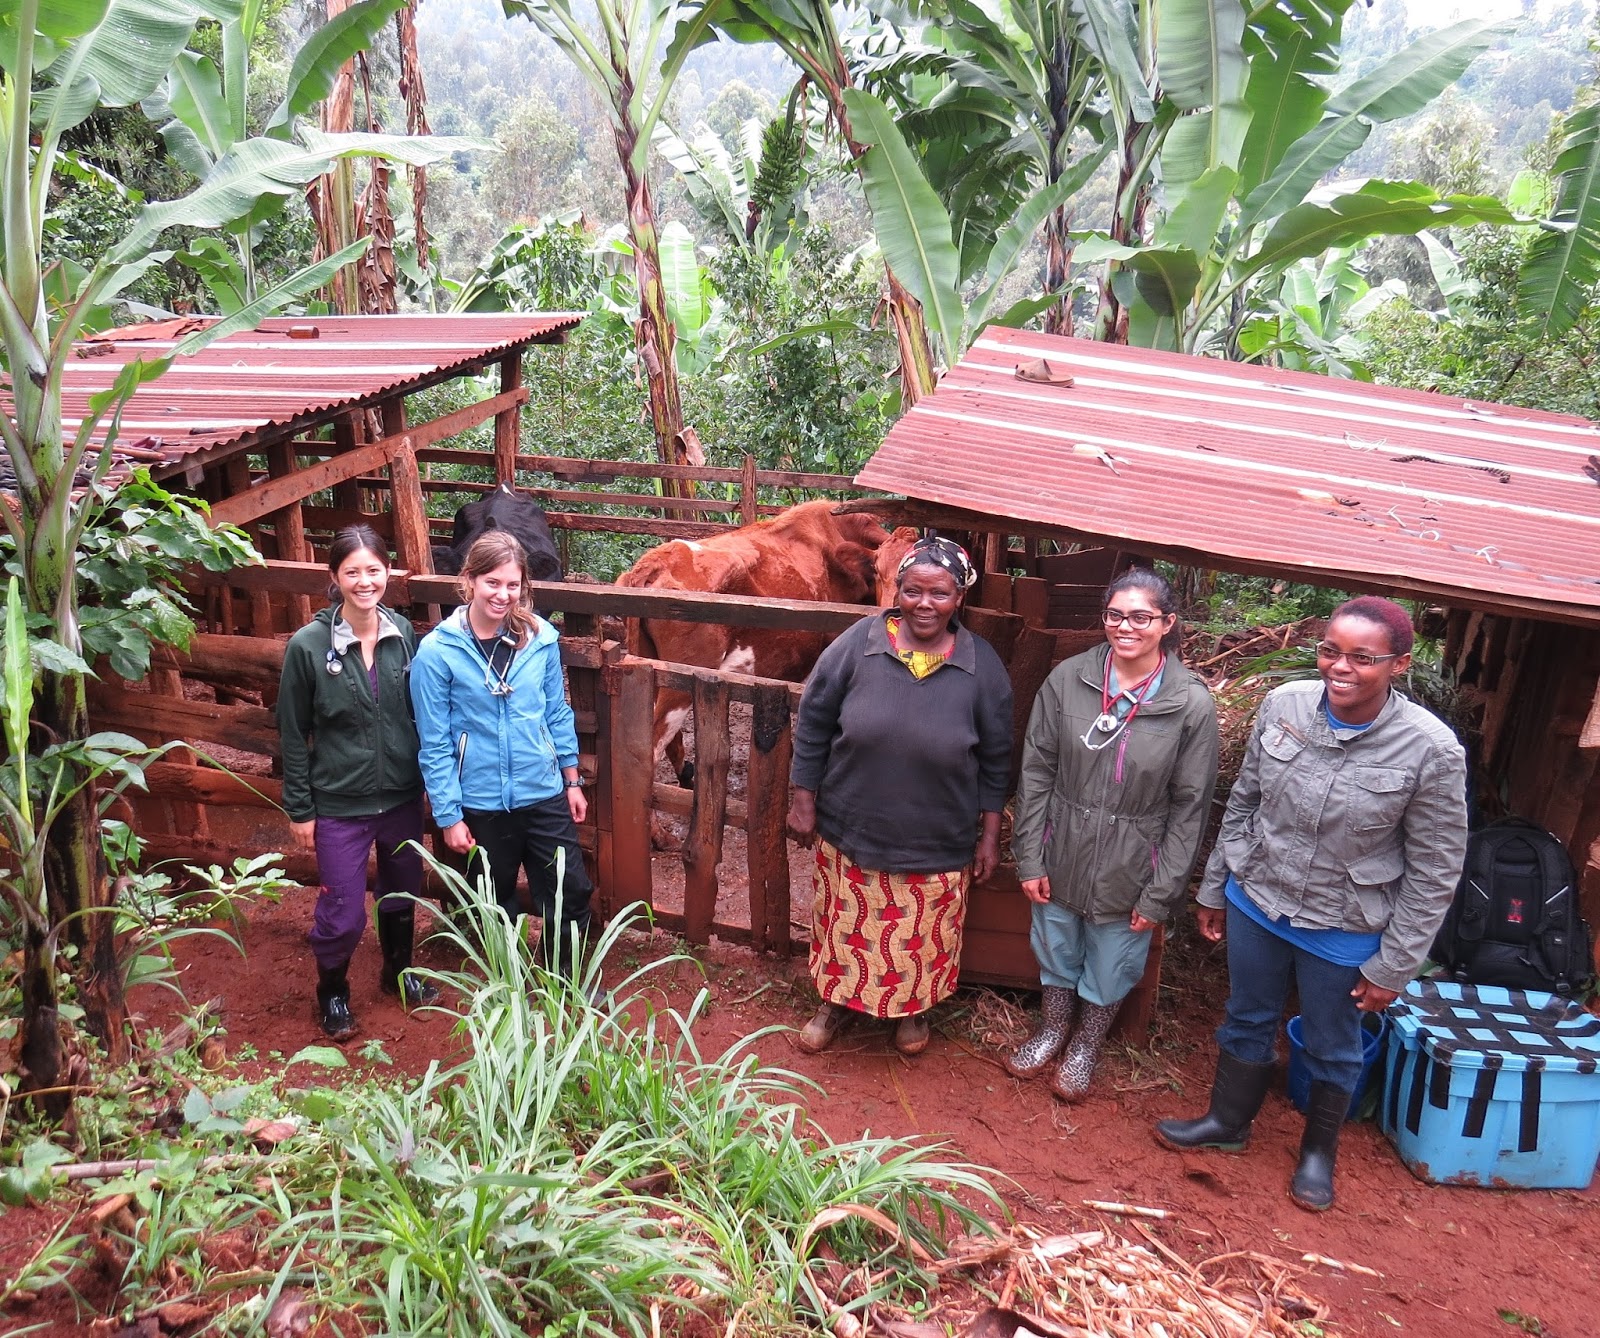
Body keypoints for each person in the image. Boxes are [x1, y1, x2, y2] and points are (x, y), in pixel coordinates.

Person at [1154, 596, 1468, 1212]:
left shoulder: (1430, 749)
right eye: (1330, 651)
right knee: (1247, 1015)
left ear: (1399, 664)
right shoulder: (1285, 705)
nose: (1340, 667)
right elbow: (1245, 801)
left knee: (1332, 1042)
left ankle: (1318, 1154)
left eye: (1363, 658)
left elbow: (1435, 870)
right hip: (1258, 898)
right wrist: (1216, 886)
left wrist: (1394, 965)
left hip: (1344, 924)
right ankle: (1227, 1121)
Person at [787, 536, 1012, 1057]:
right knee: (846, 924)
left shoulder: (981, 666)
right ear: (897, 590)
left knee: (922, 934)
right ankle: (835, 1003)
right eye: (913, 591)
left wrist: (990, 834)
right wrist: (803, 797)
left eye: (939, 593)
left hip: (937, 836)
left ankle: (913, 1010)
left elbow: (998, 757)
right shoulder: (858, 644)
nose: (924, 604)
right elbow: (815, 720)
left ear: (959, 598)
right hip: (853, 827)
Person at [1008, 568, 1219, 1100]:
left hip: (1134, 858)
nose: (1126, 627)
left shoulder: (1190, 703)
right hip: (1062, 844)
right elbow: (1036, 772)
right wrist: (1030, 856)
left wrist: (1161, 892)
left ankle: (1085, 1045)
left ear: (1167, 623)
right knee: (1055, 944)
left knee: (1113, 957)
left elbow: (1189, 807)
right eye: (1115, 615)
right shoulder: (1068, 679)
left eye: (1142, 617)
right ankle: (1053, 1030)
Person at [277, 525, 437, 1040]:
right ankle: (333, 992)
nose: (365, 581)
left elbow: (418, 711)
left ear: (388, 572)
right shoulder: (307, 646)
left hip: (401, 797)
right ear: (335, 576)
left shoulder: (403, 634)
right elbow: (292, 731)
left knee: (402, 893)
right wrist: (300, 809)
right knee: (343, 911)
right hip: (339, 804)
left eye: (374, 570)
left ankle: (398, 974)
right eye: (353, 572)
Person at [408, 531, 593, 975]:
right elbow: (434, 741)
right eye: (492, 582)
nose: (502, 594)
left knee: (570, 890)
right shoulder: (438, 652)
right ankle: (508, 985)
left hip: (542, 789)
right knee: (493, 900)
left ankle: (564, 983)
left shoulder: (540, 639)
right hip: (482, 799)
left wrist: (571, 779)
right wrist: (448, 816)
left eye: (512, 584)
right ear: (469, 580)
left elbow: (556, 711)